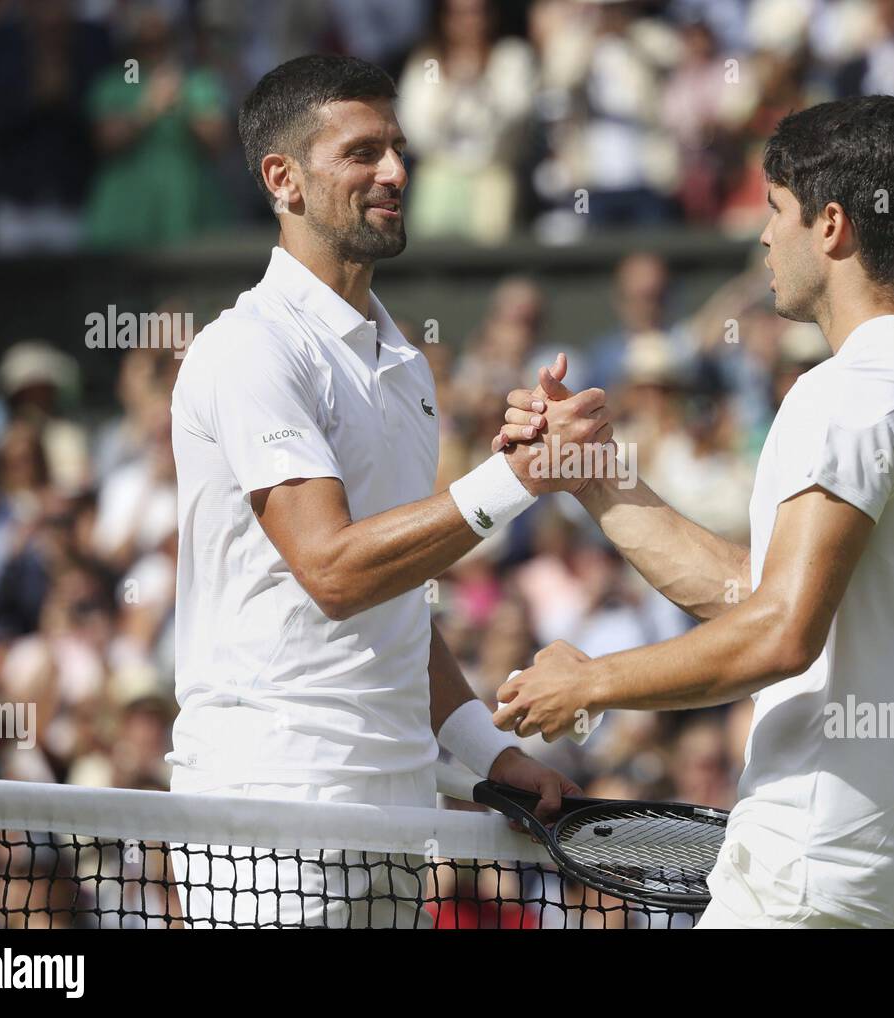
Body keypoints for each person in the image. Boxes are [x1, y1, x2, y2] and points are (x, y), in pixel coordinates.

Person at [492, 95, 894, 929]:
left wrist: (592, 683)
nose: (763, 236)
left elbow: (778, 630)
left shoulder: (843, 395)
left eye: (775, 211)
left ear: (830, 226)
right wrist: (588, 474)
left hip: (804, 873)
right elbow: (757, 591)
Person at [166, 54, 607, 928]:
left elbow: (394, 607)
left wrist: (488, 755)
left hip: (401, 820)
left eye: (397, 149)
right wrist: (513, 479)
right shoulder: (248, 349)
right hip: (272, 821)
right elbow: (333, 571)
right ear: (282, 179)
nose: (397, 172)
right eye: (362, 152)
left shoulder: (404, 364)